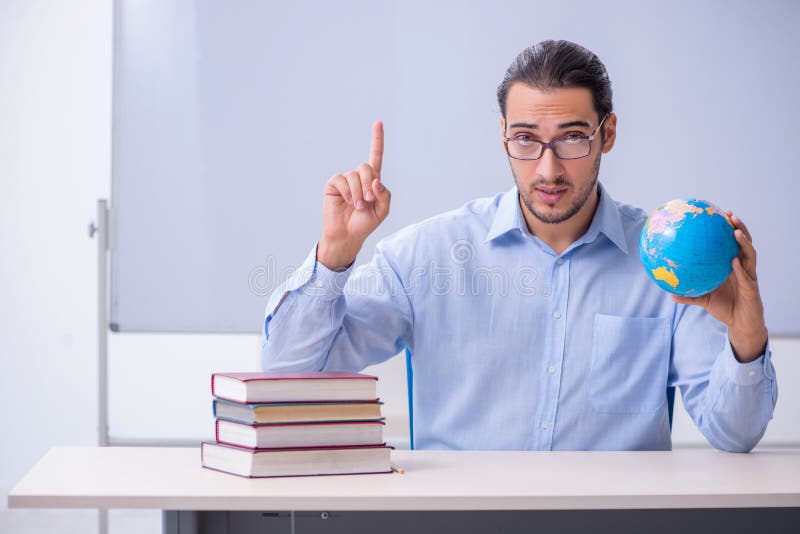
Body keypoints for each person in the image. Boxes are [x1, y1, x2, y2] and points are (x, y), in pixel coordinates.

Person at [260, 40, 776, 452]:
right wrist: (334, 255)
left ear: (608, 132)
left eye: (573, 137)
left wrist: (746, 336)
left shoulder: (668, 266)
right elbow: (288, 373)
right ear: (503, 134)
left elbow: (735, 434)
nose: (548, 169)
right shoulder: (428, 256)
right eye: (526, 139)